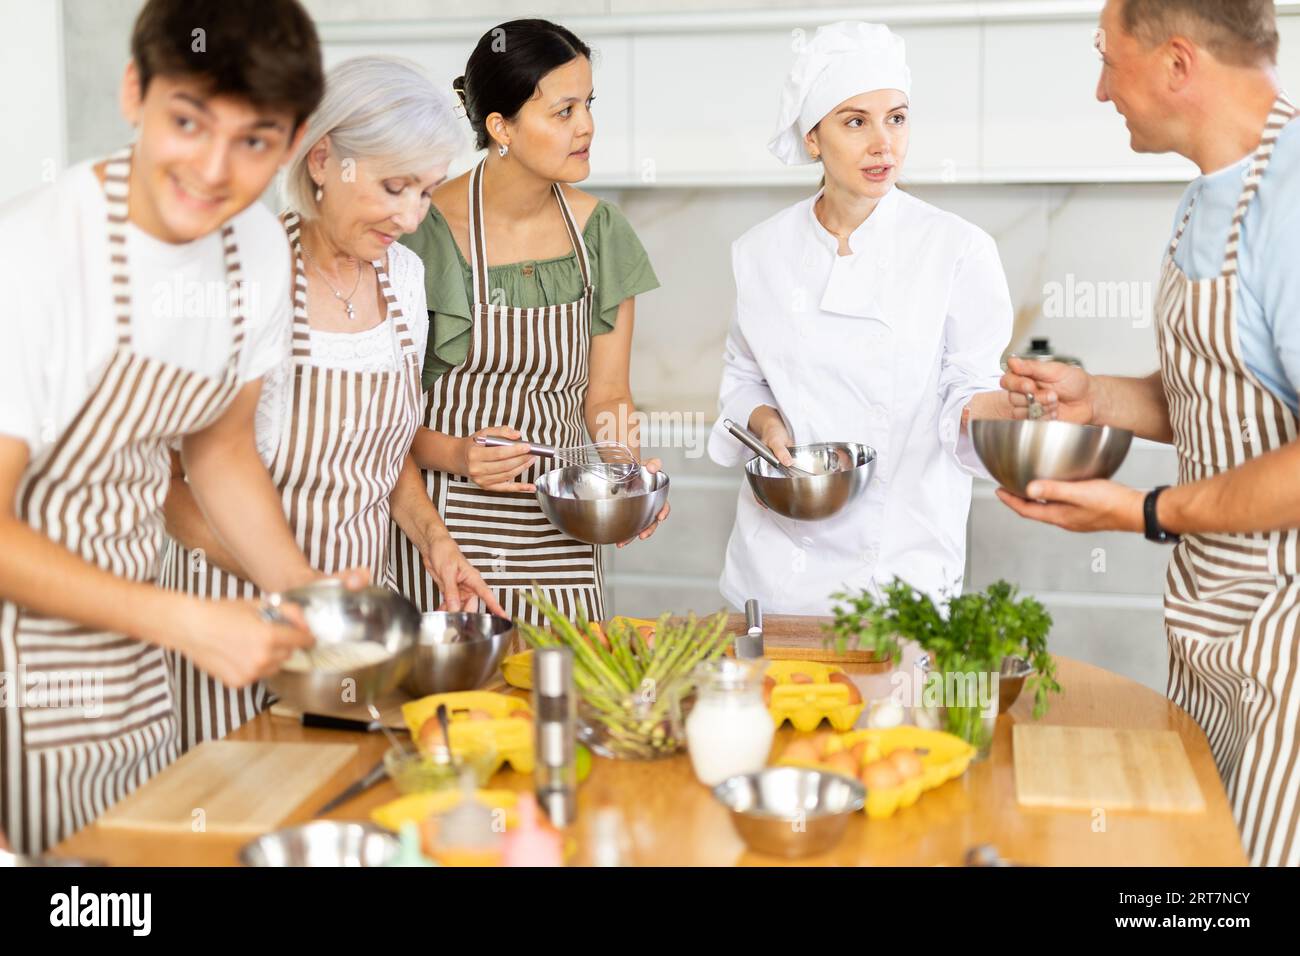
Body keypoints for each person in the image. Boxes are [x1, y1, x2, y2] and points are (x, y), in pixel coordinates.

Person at [0, 0, 342, 853]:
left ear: (295, 139)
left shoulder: (257, 255)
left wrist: (304, 594)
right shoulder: (36, 261)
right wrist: (182, 620)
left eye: (254, 140)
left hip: (131, 668)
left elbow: (219, 446)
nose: (212, 170)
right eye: (188, 122)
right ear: (134, 93)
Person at [998, 0, 1298, 866]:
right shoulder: (1212, 192)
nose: (1100, 89)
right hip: (1216, 632)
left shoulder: (1294, 195)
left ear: (1176, 63)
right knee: (1204, 884)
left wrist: (1146, 510)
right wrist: (1100, 400)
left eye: (1107, 57)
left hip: (1289, 636)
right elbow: (1234, 394)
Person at [159, 56, 502, 751]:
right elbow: (171, 489)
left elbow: (383, 450)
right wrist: (296, 591)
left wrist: (437, 544)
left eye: (427, 192)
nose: (411, 218)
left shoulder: (404, 280)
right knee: (230, 827)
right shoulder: (238, 281)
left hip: (347, 636)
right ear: (323, 159)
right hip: (232, 620)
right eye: (394, 187)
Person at [706, 21, 1015, 615]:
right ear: (813, 138)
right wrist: (768, 428)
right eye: (856, 121)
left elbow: (968, 392)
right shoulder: (761, 253)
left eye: (896, 118)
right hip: (775, 574)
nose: (884, 144)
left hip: (903, 570)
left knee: (897, 710)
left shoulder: (956, 249)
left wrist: (1014, 408)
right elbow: (744, 380)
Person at [396, 19, 668, 625]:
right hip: (444, 531)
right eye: (564, 110)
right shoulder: (420, 234)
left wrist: (624, 480)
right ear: (502, 128)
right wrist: (458, 454)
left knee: (562, 704)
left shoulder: (603, 234)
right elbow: (378, 422)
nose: (588, 126)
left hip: (562, 534)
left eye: (588, 104)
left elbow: (609, 394)